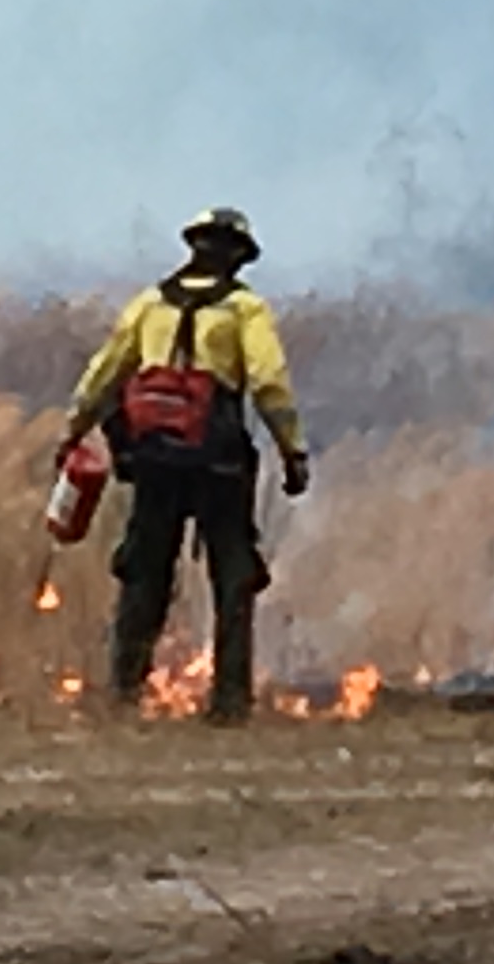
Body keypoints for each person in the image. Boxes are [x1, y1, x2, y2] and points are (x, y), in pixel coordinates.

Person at [56, 208, 310, 724]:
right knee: (234, 575)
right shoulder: (244, 309)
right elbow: (268, 384)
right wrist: (292, 451)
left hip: (152, 461)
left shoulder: (148, 305)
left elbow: (104, 372)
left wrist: (74, 431)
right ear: (238, 255)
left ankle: (124, 690)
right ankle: (229, 702)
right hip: (219, 463)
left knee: (143, 572)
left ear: (193, 247)